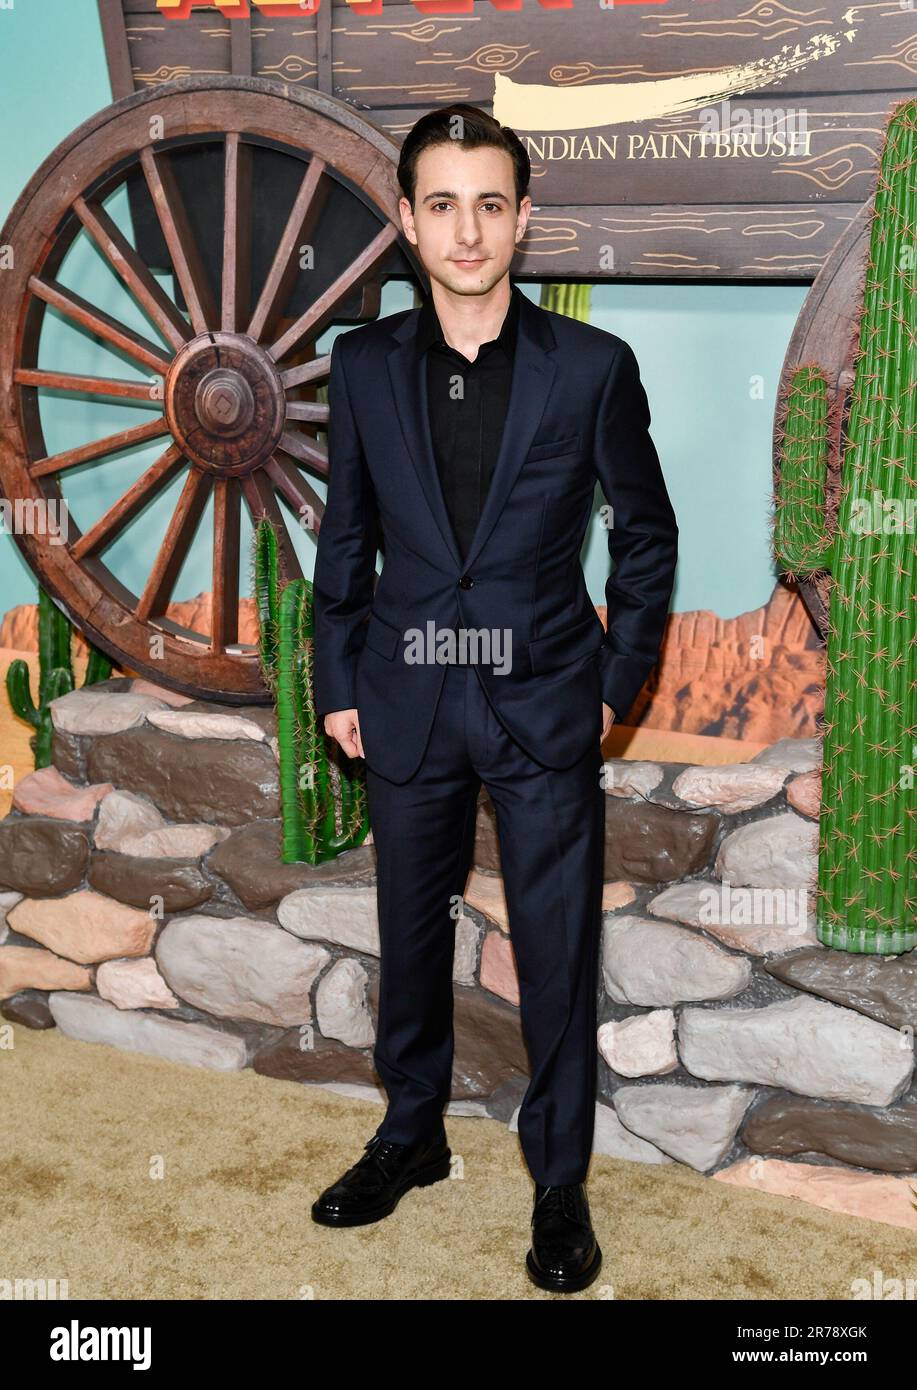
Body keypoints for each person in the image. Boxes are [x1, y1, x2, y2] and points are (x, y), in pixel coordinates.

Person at [309, 102, 678, 1293]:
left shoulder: (591, 369)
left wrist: (616, 685)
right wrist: (336, 677)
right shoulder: (361, 366)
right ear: (409, 222)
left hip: (545, 704)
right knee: (407, 937)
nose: (465, 229)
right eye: (439, 203)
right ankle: (408, 1133)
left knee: (557, 946)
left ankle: (557, 1177)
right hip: (403, 700)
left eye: (488, 203)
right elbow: (346, 537)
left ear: (520, 220)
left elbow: (645, 534)